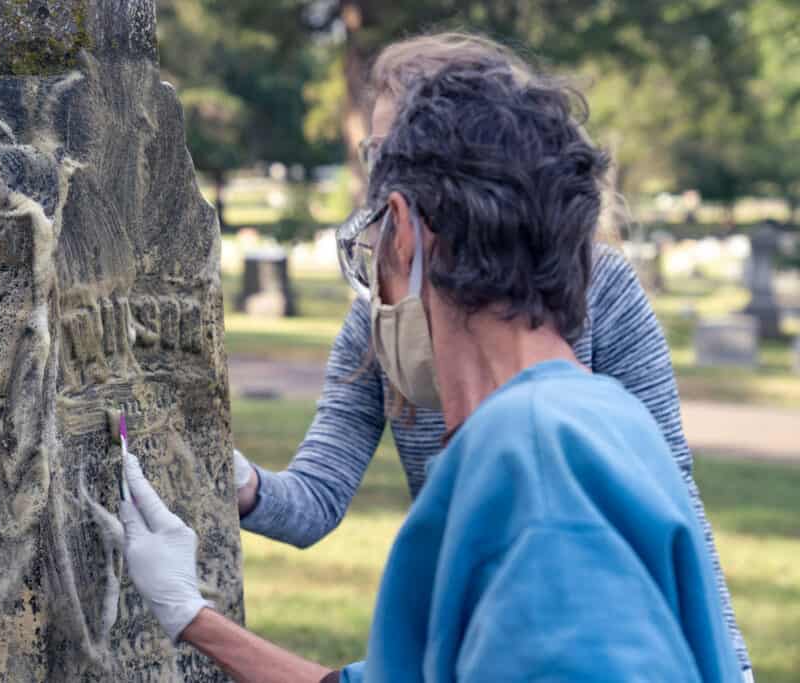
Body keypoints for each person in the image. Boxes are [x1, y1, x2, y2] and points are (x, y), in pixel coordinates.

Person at [92, 58, 741, 682]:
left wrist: (190, 614)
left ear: (401, 227)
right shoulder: (599, 420)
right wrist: (194, 616)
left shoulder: (532, 464)